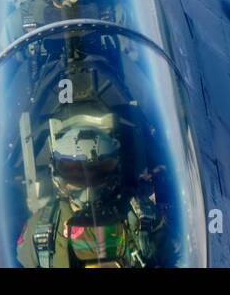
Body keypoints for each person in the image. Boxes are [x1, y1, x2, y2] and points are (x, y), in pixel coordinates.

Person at [16, 106, 166, 268]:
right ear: (57, 175)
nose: (88, 187)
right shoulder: (40, 229)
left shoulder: (142, 216)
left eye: (97, 173)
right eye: (75, 174)